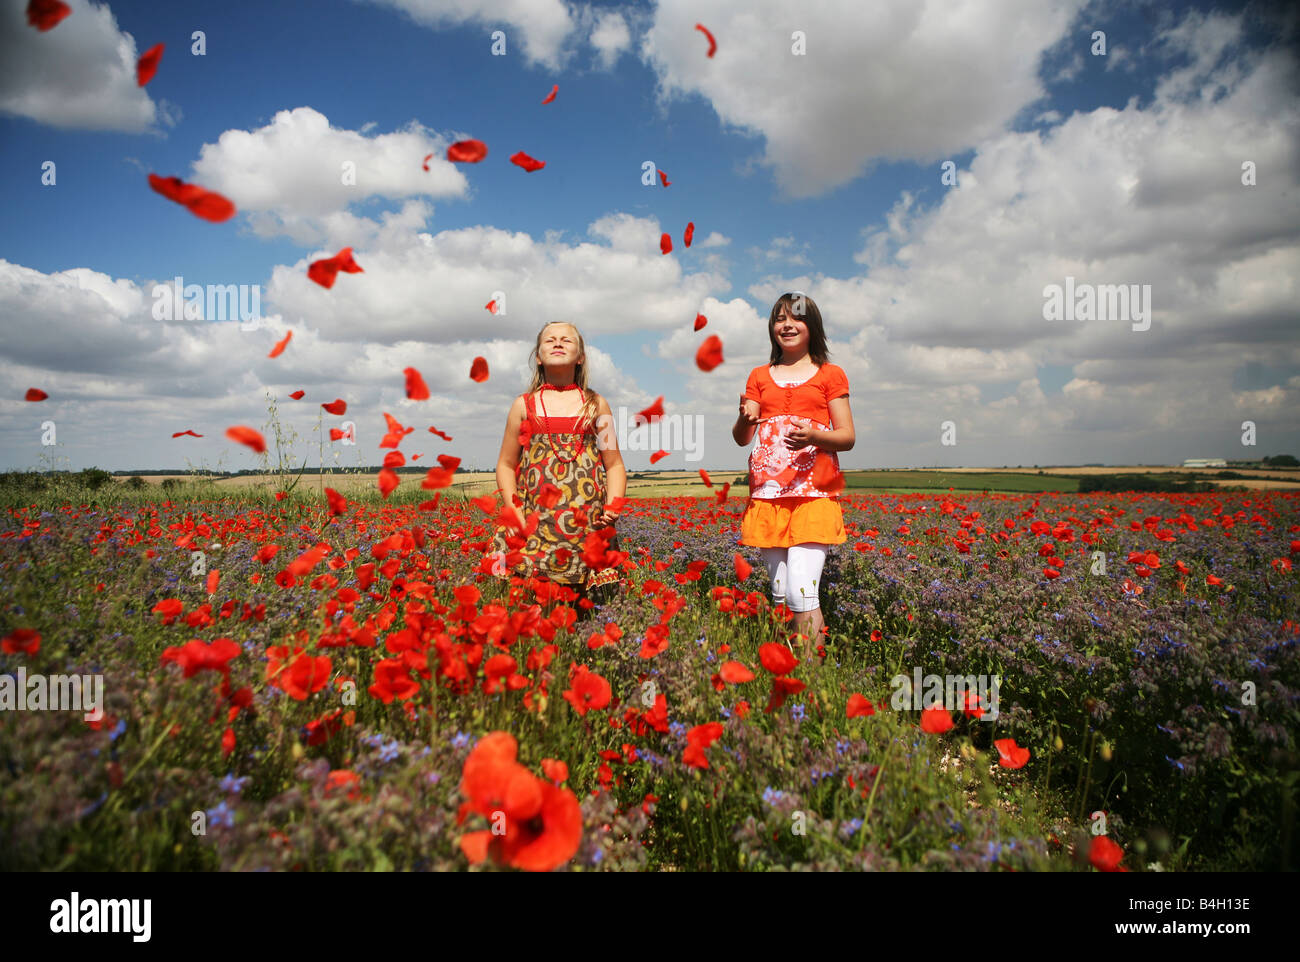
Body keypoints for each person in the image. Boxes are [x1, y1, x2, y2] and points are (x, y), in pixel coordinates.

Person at [732, 292, 854, 654]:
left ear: (811, 327)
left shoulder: (830, 375)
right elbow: (742, 438)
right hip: (769, 494)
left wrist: (816, 435)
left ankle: (813, 679)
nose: (786, 325)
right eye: (779, 319)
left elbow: (847, 437)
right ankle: (787, 668)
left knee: (803, 588)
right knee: (782, 591)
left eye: (795, 318)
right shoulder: (759, 375)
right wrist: (743, 418)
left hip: (813, 492)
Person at [490, 321, 627, 605]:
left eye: (567, 339)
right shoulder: (523, 405)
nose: (558, 342)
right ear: (538, 357)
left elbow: (613, 464)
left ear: (581, 357)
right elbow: (505, 464)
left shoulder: (596, 404)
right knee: (532, 608)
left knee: (587, 610)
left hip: (586, 525)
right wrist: (513, 509)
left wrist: (613, 506)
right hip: (534, 524)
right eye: (549, 339)